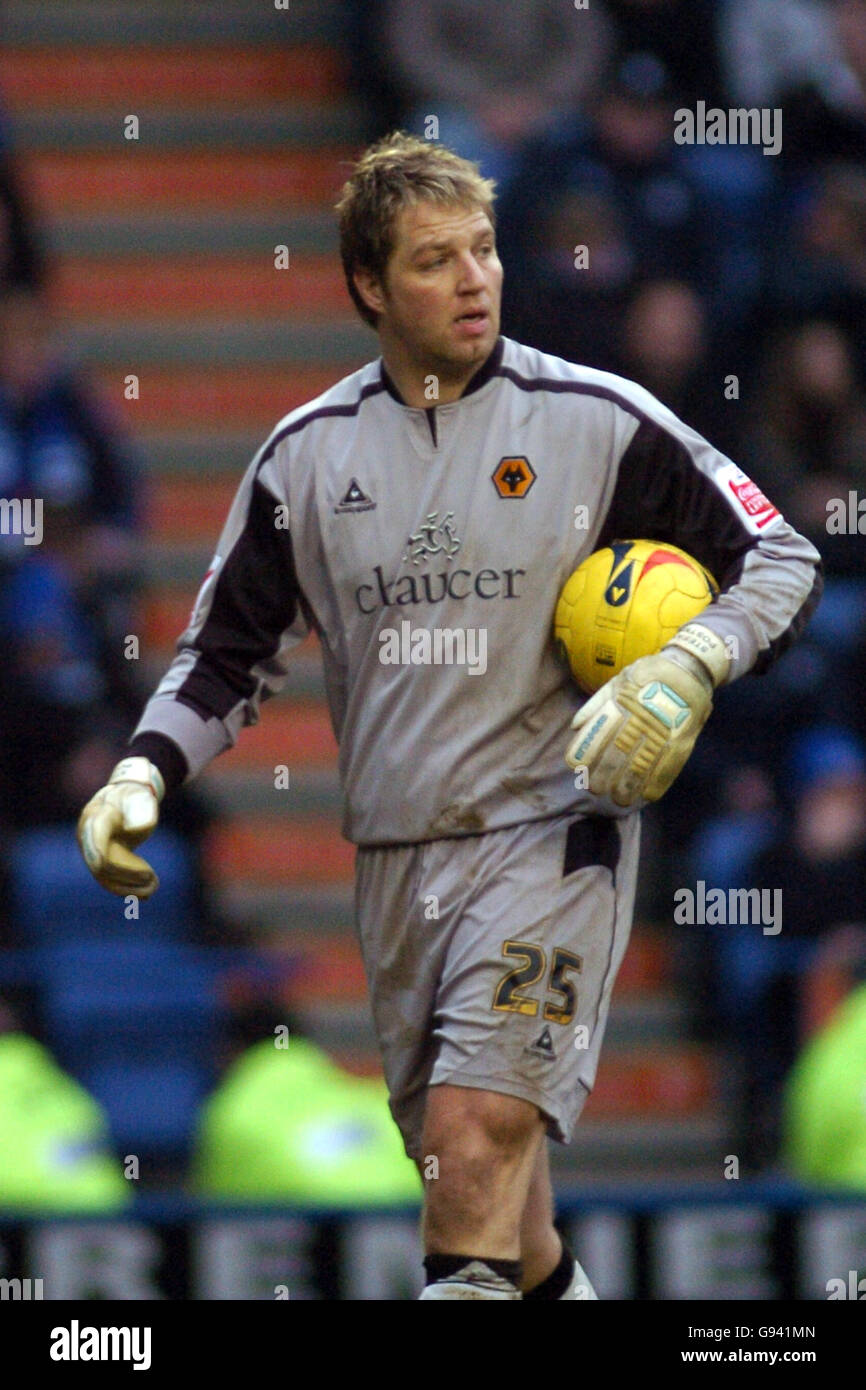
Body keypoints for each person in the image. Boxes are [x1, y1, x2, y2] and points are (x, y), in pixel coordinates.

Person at [76, 133, 822, 1301]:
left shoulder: (595, 417)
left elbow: (778, 556)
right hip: (397, 862)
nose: (474, 278)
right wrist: (140, 776)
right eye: (434, 260)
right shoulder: (304, 460)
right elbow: (225, 655)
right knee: (504, 1225)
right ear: (368, 286)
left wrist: (682, 667)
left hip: (551, 832)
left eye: (481, 250)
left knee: (471, 1150)